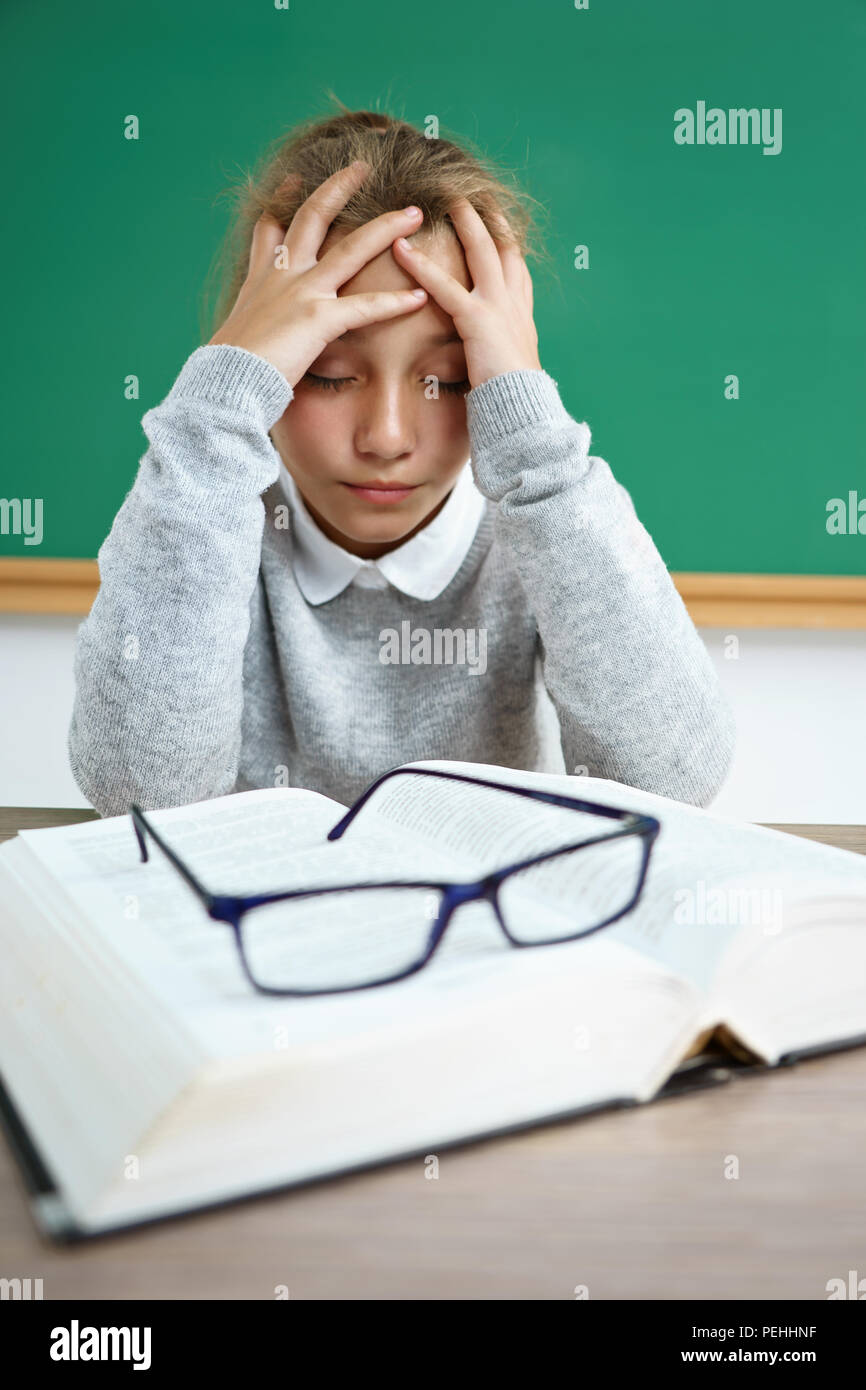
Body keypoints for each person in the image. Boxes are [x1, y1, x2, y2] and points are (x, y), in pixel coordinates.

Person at [68, 107, 735, 819]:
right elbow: (137, 796)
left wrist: (535, 440)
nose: (386, 438)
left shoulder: (540, 532)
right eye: (327, 374)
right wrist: (214, 416)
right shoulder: (203, 517)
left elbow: (673, 783)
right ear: (264, 364)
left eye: (447, 381)